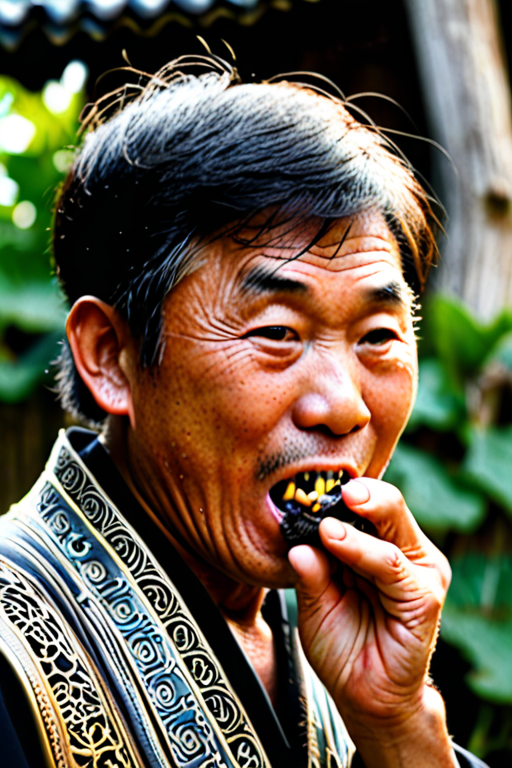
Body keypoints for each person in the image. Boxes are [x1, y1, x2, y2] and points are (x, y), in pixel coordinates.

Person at [0, 55, 488, 768]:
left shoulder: (341, 661)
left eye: (378, 337)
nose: (344, 406)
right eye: (277, 334)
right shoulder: (17, 655)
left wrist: (401, 724)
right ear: (110, 355)